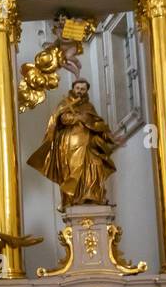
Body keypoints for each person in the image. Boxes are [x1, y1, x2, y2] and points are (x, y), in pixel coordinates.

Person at [26, 79, 117, 209]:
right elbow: (61, 118)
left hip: (89, 144)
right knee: (73, 168)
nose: (80, 91)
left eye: (83, 89)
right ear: (73, 89)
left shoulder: (89, 107)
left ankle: (91, 195)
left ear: (86, 91)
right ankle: (73, 198)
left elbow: (96, 123)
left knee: (93, 165)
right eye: (78, 88)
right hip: (69, 142)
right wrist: (77, 118)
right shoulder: (65, 103)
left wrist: (102, 130)